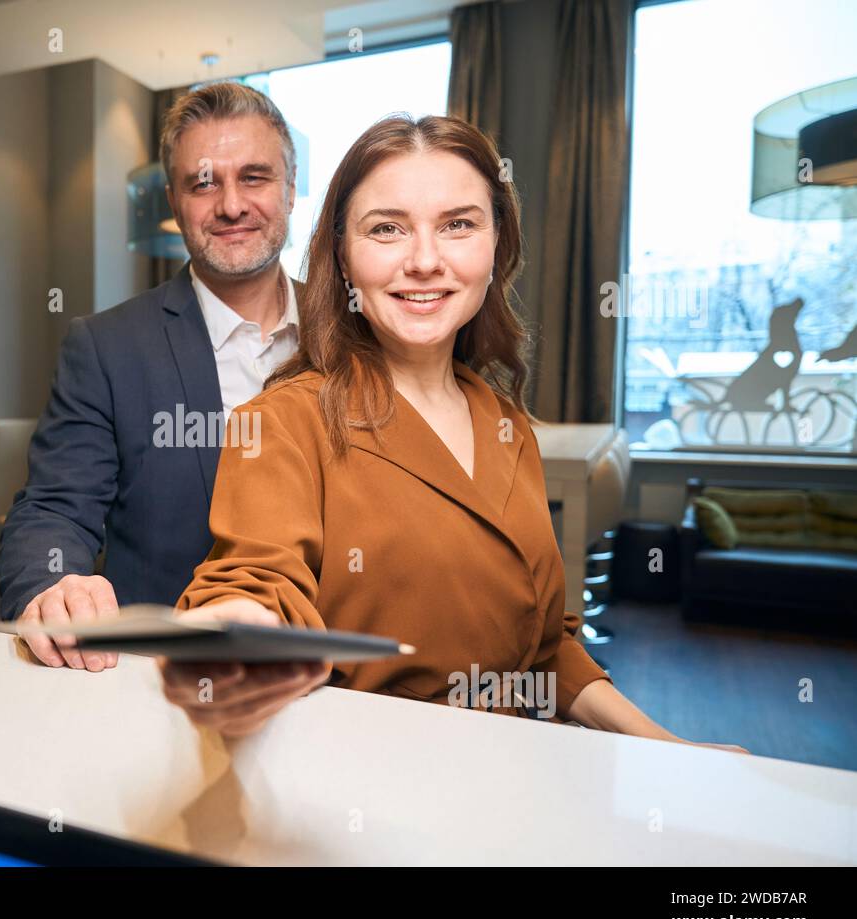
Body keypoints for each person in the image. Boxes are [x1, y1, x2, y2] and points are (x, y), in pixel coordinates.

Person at [162, 114, 748, 754]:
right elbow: (254, 585)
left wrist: (673, 748)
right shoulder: (281, 422)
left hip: (521, 780)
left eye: (458, 225)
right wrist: (230, 640)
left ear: (497, 244)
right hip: (371, 792)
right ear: (343, 255)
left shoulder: (506, 422)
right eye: (386, 228)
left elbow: (549, 651)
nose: (423, 261)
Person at [0, 82, 301, 671]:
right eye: (204, 182)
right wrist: (52, 586)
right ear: (173, 199)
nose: (232, 204)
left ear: (289, 186)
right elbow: (55, 508)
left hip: (344, 687)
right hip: (160, 679)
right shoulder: (106, 346)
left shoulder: (355, 339)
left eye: (256, 177)